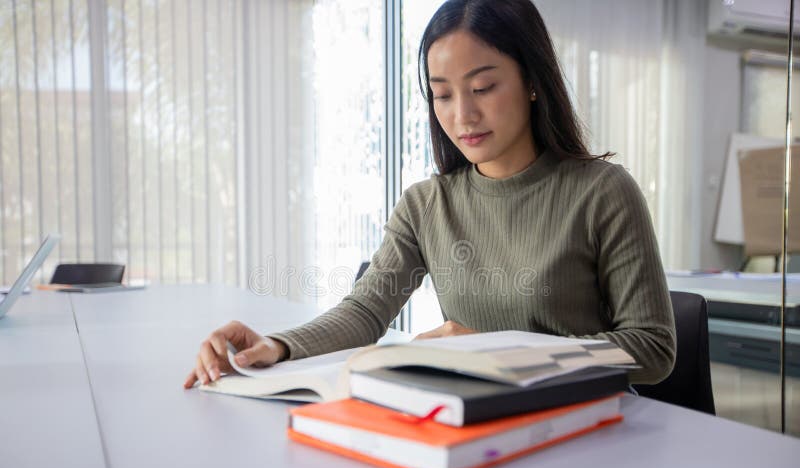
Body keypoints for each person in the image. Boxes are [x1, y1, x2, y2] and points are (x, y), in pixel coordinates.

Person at [183, 0, 675, 390]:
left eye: (483, 87)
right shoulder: (426, 205)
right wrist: (276, 345)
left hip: (587, 425)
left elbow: (652, 348)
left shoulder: (603, 192)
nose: (463, 115)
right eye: (442, 94)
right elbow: (365, 312)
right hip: (474, 421)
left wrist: (498, 351)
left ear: (531, 81)